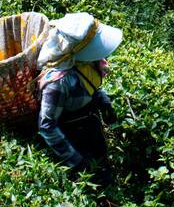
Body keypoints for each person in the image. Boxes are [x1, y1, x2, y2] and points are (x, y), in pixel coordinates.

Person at [36, 13, 123, 182]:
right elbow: (47, 126)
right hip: (73, 136)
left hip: (89, 124)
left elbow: (86, 86)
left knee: (103, 167)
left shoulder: (82, 61)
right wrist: (76, 161)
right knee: (95, 181)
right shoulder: (57, 83)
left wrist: (103, 101)